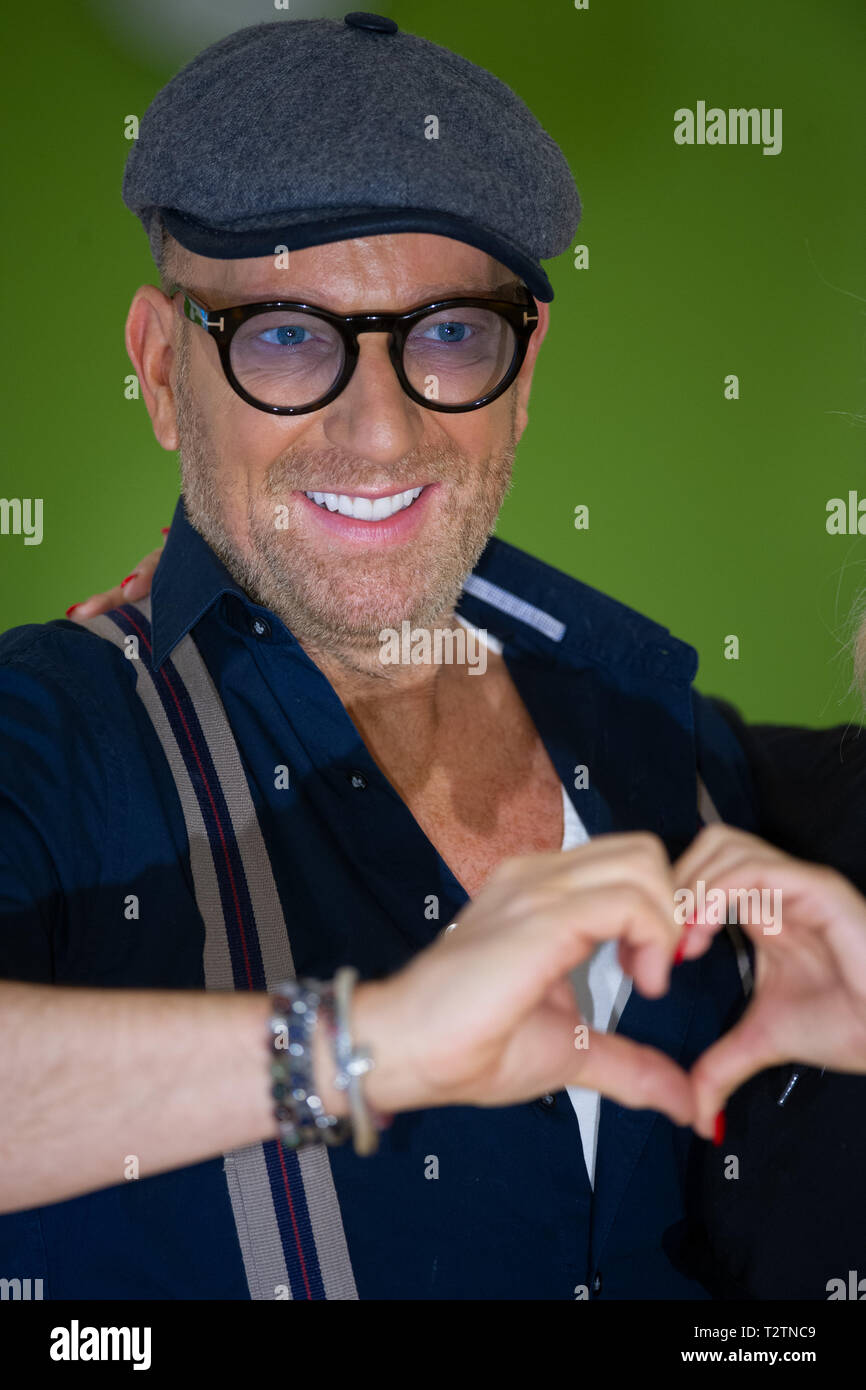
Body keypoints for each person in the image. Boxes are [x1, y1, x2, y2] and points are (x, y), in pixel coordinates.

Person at [0, 13, 861, 1300]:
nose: (380, 428)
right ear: (161, 367)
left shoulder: (679, 746)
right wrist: (360, 1046)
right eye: (284, 334)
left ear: (523, 371)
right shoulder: (55, 729)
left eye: (449, 335)